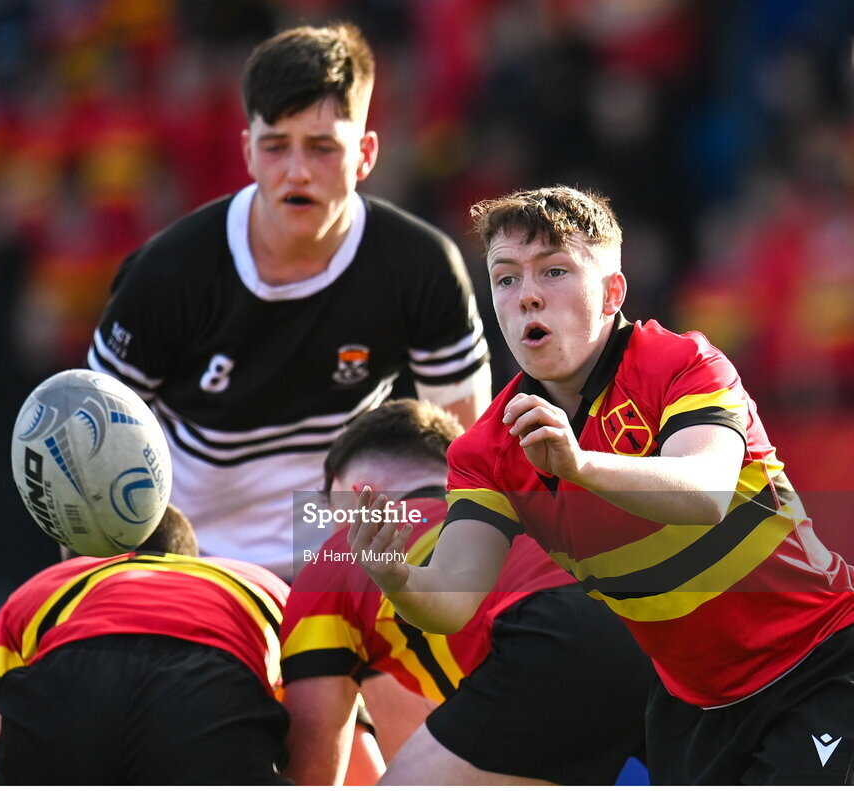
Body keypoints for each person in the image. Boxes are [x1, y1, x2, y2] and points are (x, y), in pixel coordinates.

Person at [348, 185, 854, 785]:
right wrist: (398, 577)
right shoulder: (485, 452)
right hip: (694, 707)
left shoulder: (685, 364)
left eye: (554, 271)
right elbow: (452, 600)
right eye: (505, 279)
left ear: (613, 291)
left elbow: (706, 493)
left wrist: (579, 465)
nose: (527, 295)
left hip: (819, 660)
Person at [87, 23, 490, 580]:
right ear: (248, 151)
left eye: (322, 148)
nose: (297, 171)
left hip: (343, 547)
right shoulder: (169, 273)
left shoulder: (422, 269)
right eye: (276, 146)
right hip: (190, 548)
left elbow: (469, 462)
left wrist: (460, 602)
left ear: (365, 154)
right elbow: (90, 462)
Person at [281, 398, 651, 785]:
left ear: (358, 498)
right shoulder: (515, 512)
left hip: (560, 634)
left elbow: (313, 768)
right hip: (665, 618)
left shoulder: (340, 555)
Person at [0, 504, 291, 785]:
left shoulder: (41, 589)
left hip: (71, 695)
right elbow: (318, 718)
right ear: (188, 556)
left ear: (80, 562)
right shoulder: (259, 584)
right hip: (210, 691)